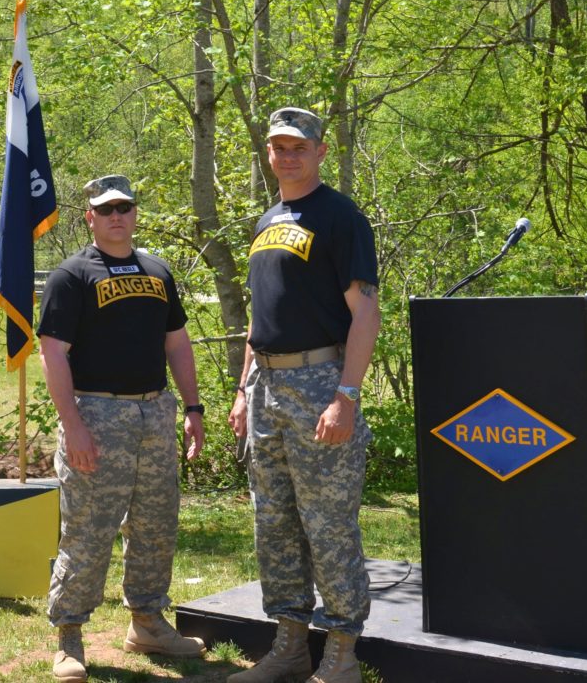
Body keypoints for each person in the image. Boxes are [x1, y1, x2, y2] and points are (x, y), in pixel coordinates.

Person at [228, 108, 381, 683]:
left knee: (329, 522)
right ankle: (289, 645)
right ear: (268, 154)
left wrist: (346, 395)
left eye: (299, 146)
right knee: (275, 521)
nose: (287, 156)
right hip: (266, 388)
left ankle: (342, 652)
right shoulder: (268, 219)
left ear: (319, 151)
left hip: (320, 384)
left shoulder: (340, 217)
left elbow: (365, 311)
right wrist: (245, 390)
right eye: (278, 147)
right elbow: (257, 317)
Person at [38, 174, 207, 682]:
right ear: (89, 216)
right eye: (105, 208)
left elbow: (176, 343)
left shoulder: (158, 271)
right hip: (97, 413)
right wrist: (74, 426)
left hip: (154, 411)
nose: (116, 216)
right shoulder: (71, 275)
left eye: (124, 207)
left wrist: (194, 410)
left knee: (156, 526)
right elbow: (53, 354)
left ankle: (148, 622)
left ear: (135, 214)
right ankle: (69, 635)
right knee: (89, 531)